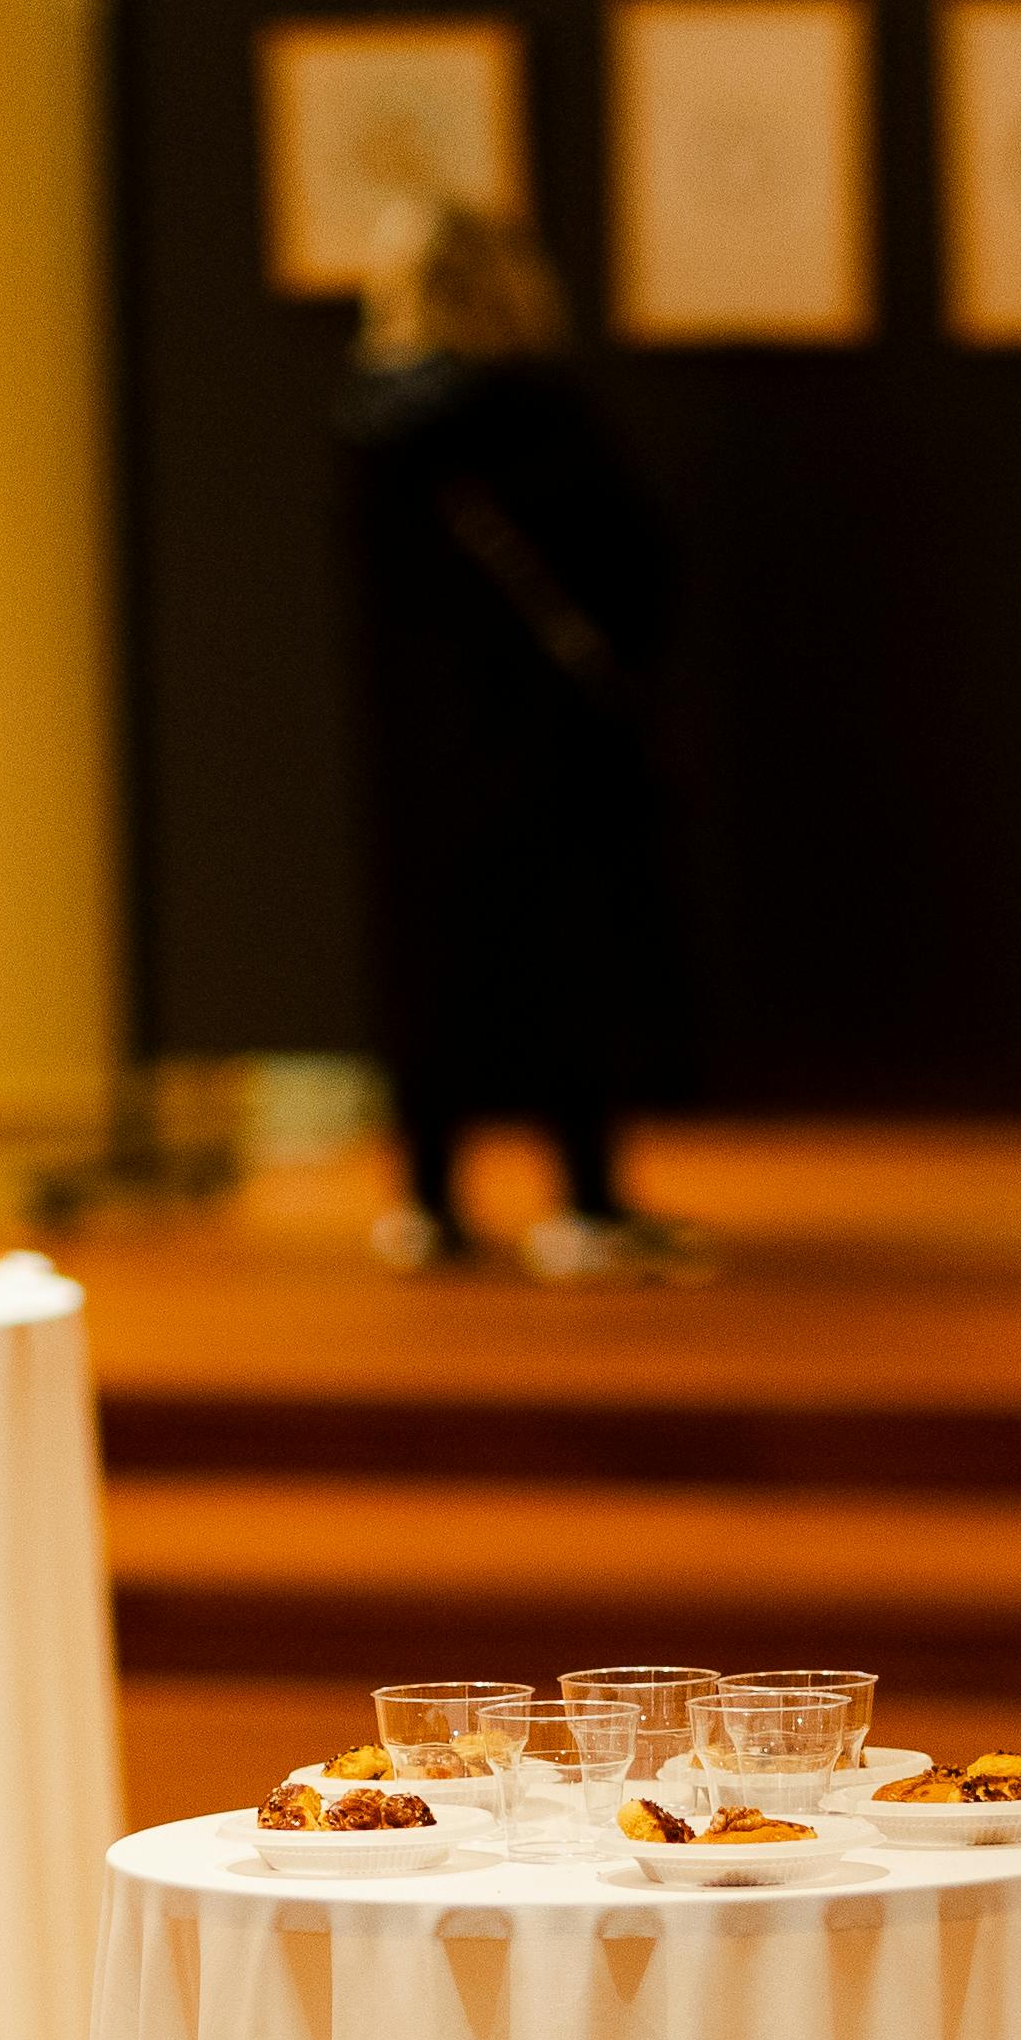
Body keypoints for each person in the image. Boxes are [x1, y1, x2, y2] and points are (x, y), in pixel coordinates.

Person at [336, 199, 706, 1279]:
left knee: (431, 965)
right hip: (549, 732)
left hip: (417, 744)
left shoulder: (366, 426)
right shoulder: (545, 413)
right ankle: (583, 1200)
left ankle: (431, 1200)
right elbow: (637, 563)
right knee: (569, 960)